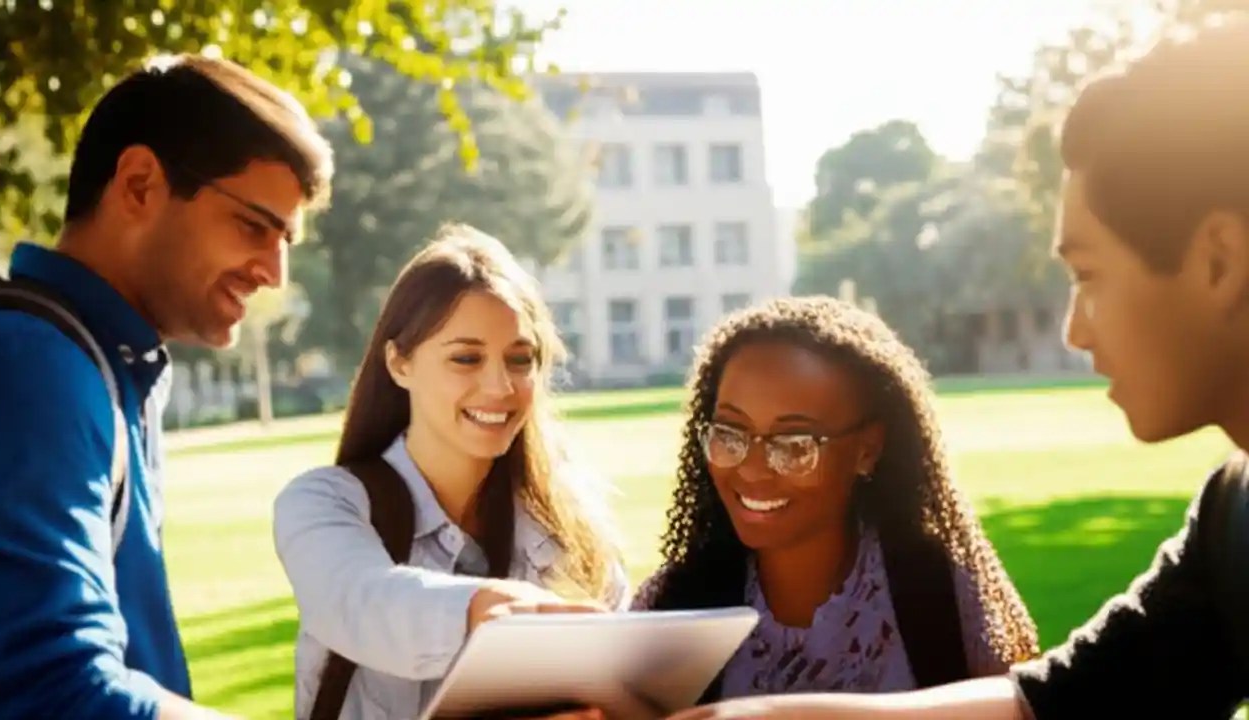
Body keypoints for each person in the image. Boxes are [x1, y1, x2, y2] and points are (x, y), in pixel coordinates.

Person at [664, 18, 1249, 720]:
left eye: (1088, 275)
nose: (1075, 330)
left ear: (1218, 262)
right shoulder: (1233, 515)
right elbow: (1063, 702)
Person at [0, 55, 333, 718]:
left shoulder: (104, 368)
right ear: (139, 185)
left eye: (286, 240)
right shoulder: (32, 367)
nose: (274, 272)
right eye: (254, 226)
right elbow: (50, 692)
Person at [272, 223, 629, 720]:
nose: (500, 386)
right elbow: (357, 600)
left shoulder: (571, 529)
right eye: (466, 358)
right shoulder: (322, 503)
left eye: (520, 359)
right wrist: (486, 609)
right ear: (399, 363)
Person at [631, 296, 1038, 703]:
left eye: (794, 444)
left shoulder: (939, 594)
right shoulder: (669, 608)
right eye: (730, 433)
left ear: (867, 450)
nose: (752, 470)